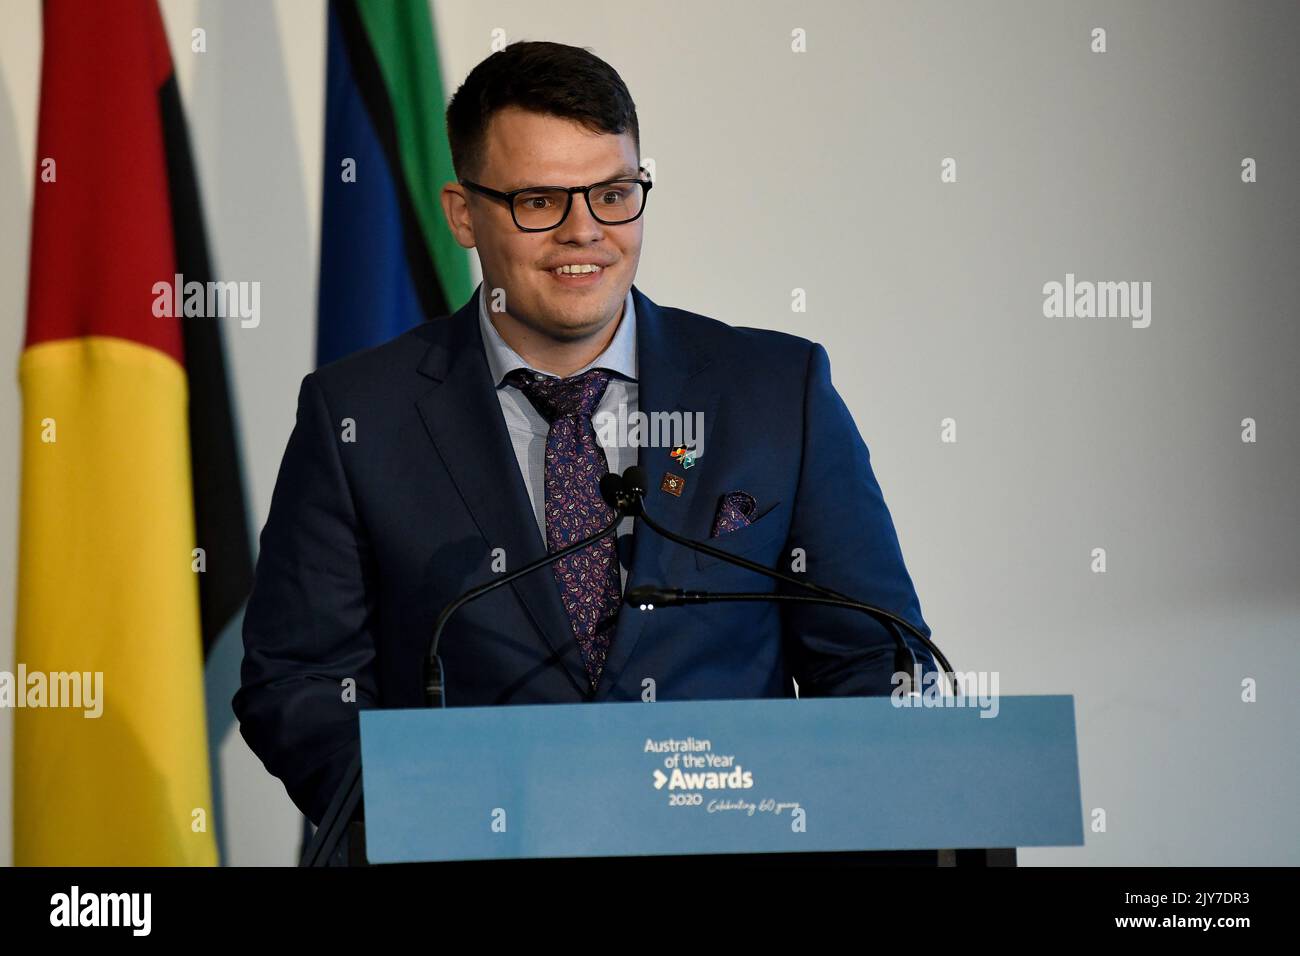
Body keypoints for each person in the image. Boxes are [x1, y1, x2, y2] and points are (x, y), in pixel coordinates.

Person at [234, 40, 934, 826]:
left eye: (612, 192)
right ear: (464, 214)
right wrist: (420, 817)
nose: (584, 231)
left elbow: (877, 657)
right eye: (540, 200)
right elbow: (297, 680)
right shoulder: (358, 414)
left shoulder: (777, 391)